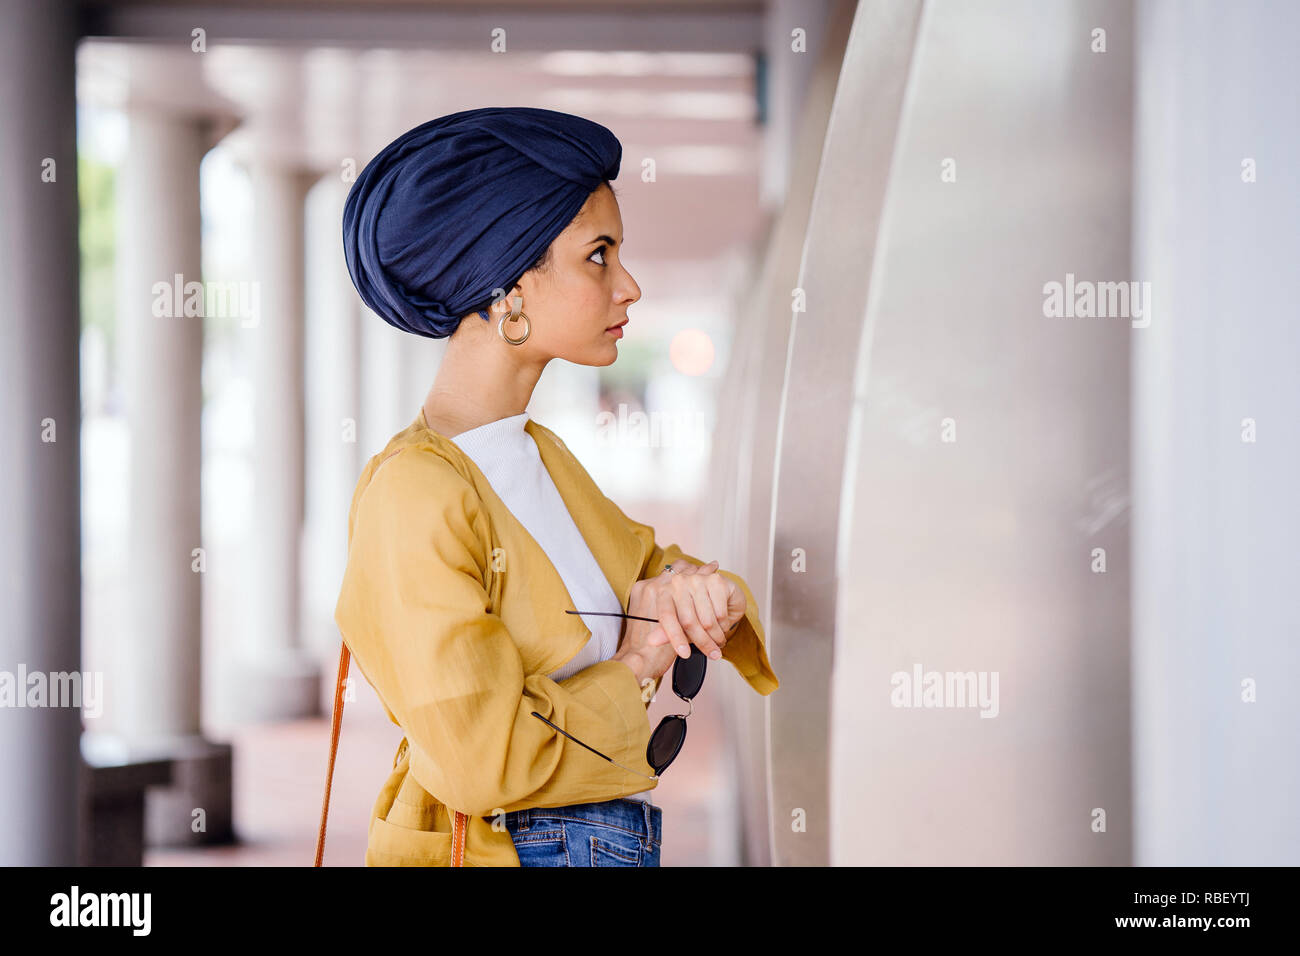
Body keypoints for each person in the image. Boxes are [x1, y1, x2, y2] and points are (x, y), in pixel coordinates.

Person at [332, 107, 779, 867]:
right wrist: (638, 662)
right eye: (598, 255)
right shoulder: (414, 494)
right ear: (507, 289)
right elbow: (484, 760)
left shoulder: (541, 457)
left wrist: (693, 593)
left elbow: (654, 573)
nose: (629, 285)